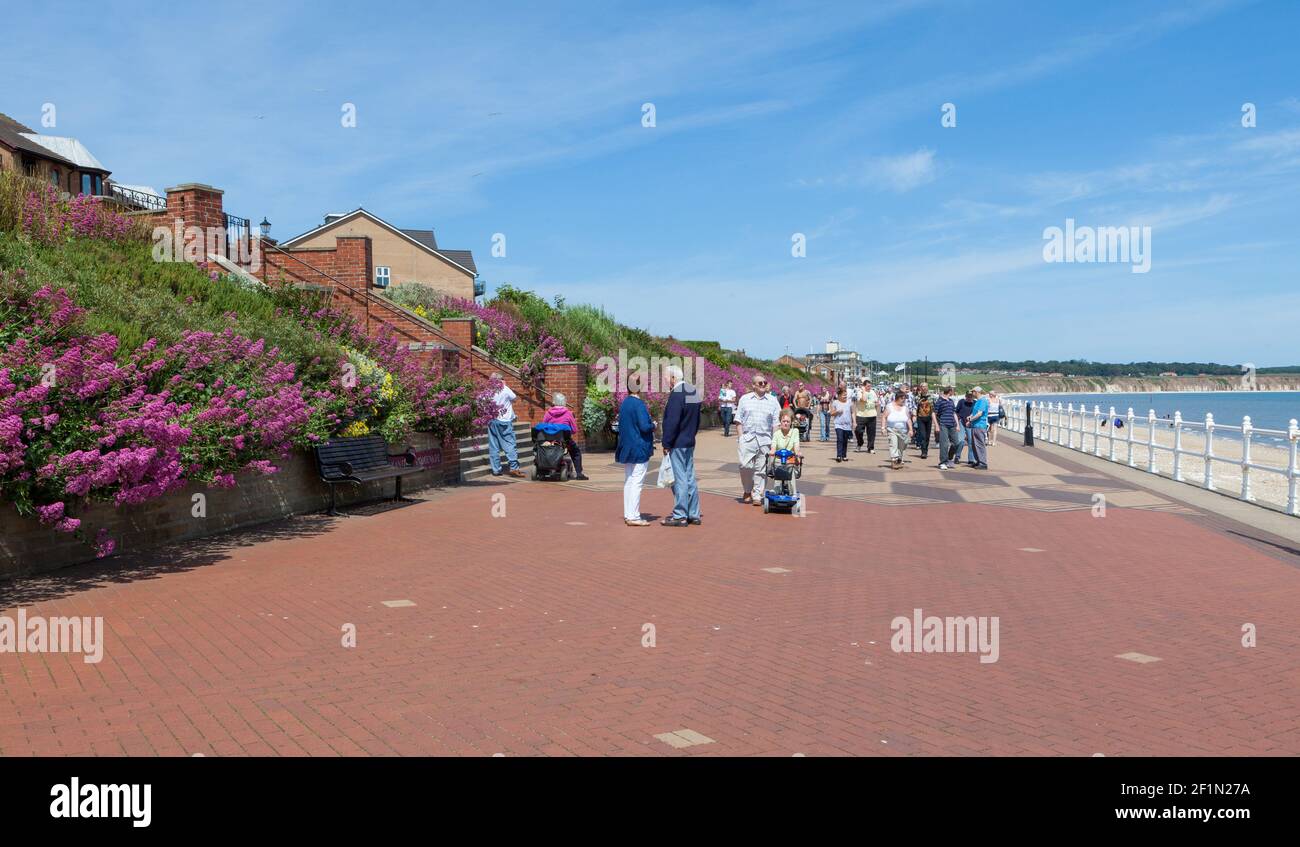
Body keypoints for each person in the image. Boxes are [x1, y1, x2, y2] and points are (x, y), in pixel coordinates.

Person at [659, 365, 702, 527]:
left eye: (665, 377)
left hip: (678, 442)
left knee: (680, 478)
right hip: (689, 440)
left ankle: (680, 515)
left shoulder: (676, 394)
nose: (664, 380)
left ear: (673, 378)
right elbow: (697, 419)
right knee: (690, 476)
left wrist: (666, 443)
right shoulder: (692, 391)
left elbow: (672, 422)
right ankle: (694, 513)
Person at [616, 375, 656, 526]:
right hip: (639, 447)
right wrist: (654, 425)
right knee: (637, 482)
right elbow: (644, 427)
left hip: (627, 446)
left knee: (629, 480)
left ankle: (629, 513)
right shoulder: (639, 404)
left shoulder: (625, 403)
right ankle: (634, 516)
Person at [736, 374, 781, 505]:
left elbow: (775, 423)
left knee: (761, 469)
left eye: (764, 382)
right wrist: (741, 438)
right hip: (748, 438)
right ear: (753, 385)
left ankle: (757, 495)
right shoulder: (744, 399)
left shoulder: (772, 400)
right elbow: (738, 420)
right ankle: (747, 489)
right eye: (760, 383)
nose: (763, 385)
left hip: (765, 439)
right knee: (744, 466)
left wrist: (774, 443)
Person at [540, 392, 589, 480]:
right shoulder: (569, 414)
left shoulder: (548, 413)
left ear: (554, 402)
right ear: (564, 402)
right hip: (564, 441)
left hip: (550, 440)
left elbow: (544, 426)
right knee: (576, 452)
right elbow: (574, 430)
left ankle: (544, 468)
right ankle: (579, 473)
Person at [487, 373, 527, 478]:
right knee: (509, 443)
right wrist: (504, 385)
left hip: (492, 420)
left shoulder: (488, 390)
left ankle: (496, 470)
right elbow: (514, 398)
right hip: (504, 421)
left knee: (494, 446)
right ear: (500, 380)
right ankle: (514, 468)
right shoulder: (504, 388)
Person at [934, 386, 961, 470]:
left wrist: (957, 424)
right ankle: (943, 462)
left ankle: (949, 458)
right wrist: (936, 425)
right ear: (949, 391)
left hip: (952, 424)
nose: (953, 392)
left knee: (957, 443)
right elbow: (934, 413)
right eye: (952, 391)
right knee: (944, 444)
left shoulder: (951, 401)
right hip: (943, 424)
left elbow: (954, 413)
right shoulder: (939, 401)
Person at [885, 391, 913, 470]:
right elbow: (884, 416)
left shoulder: (905, 408)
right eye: (902, 398)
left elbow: (908, 419)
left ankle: (899, 459)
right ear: (897, 398)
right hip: (892, 429)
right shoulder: (889, 406)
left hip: (903, 430)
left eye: (904, 398)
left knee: (902, 446)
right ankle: (894, 460)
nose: (903, 400)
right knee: (893, 444)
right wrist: (883, 427)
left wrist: (911, 429)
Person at [966, 386, 990, 469]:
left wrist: (970, 420)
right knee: (974, 444)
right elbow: (975, 412)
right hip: (975, 425)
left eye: (973, 392)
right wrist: (970, 416)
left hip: (980, 425)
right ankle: (978, 461)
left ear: (977, 392)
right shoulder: (978, 401)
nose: (972, 394)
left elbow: (979, 414)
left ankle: (983, 463)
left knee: (979, 444)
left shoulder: (983, 401)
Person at [854, 377, 878, 453]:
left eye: (870, 386)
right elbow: (863, 400)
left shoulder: (873, 392)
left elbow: (876, 402)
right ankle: (860, 443)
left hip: (871, 415)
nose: (869, 387)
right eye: (868, 386)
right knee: (858, 431)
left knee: (871, 433)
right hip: (861, 415)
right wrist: (863, 391)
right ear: (864, 386)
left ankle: (870, 447)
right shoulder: (859, 392)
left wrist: (875, 411)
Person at [831, 385, 853, 462]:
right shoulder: (835, 402)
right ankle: (839, 455)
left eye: (846, 395)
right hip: (838, 424)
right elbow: (832, 413)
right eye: (844, 395)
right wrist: (837, 412)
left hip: (847, 425)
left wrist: (855, 422)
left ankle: (844, 455)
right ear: (839, 395)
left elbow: (852, 412)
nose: (845, 396)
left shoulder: (849, 402)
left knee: (845, 440)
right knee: (840, 439)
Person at [913, 383, 934, 460]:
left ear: (927, 387)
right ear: (920, 388)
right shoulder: (917, 397)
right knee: (923, 435)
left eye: (925, 386)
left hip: (929, 418)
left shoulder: (932, 396)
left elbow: (934, 407)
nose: (924, 388)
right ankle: (923, 452)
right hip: (920, 418)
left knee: (927, 436)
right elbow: (915, 405)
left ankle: (926, 450)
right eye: (922, 387)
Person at [953, 390, 975, 465]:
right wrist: (957, 423)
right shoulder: (961, 402)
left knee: (971, 442)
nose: (969, 397)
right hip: (961, 422)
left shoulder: (975, 403)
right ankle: (957, 456)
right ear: (965, 396)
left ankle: (971, 459)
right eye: (968, 396)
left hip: (970, 424)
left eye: (971, 396)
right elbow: (956, 412)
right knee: (960, 441)